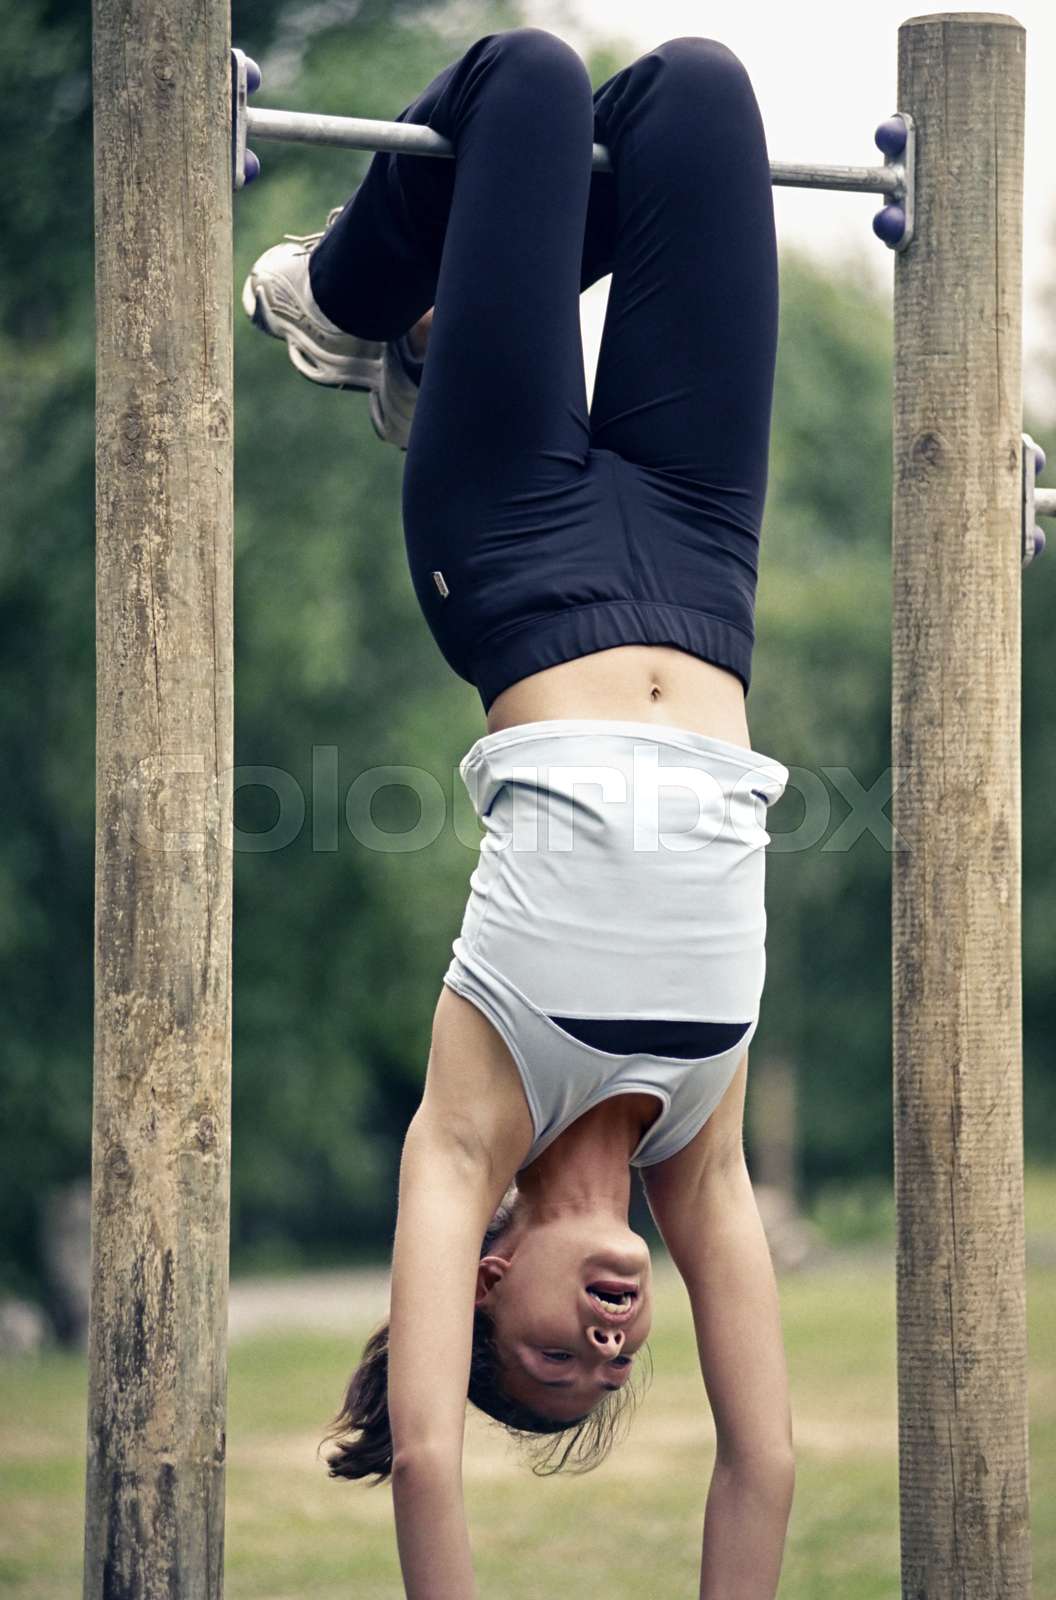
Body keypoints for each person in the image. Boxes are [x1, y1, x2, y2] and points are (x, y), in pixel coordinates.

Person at [243, 27, 795, 1598]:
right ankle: (434, 311)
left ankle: (342, 309)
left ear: (484, 1281)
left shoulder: (466, 1130)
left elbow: (427, 1458)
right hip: (702, 570)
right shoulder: (702, 1150)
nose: (609, 1347)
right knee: (697, 90)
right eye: (616, 1370)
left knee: (531, 83)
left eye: (551, 1358)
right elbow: (765, 1467)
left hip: (515, 555)